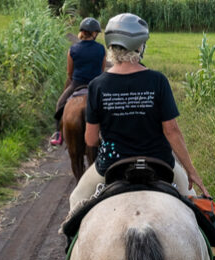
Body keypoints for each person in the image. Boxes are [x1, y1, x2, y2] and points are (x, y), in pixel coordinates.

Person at [67, 12, 206, 209]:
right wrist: (191, 171)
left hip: (111, 164)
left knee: (76, 199)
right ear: (140, 45)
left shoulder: (97, 85)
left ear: (111, 45)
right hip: (159, 161)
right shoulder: (158, 80)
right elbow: (172, 131)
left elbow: (90, 140)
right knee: (197, 207)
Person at [50, 17, 106, 146]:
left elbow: (69, 73)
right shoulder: (101, 49)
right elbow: (102, 70)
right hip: (96, 86)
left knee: (60, 104)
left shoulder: (73, 49)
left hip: (76, 84)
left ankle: (58, 134)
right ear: (93, 33)